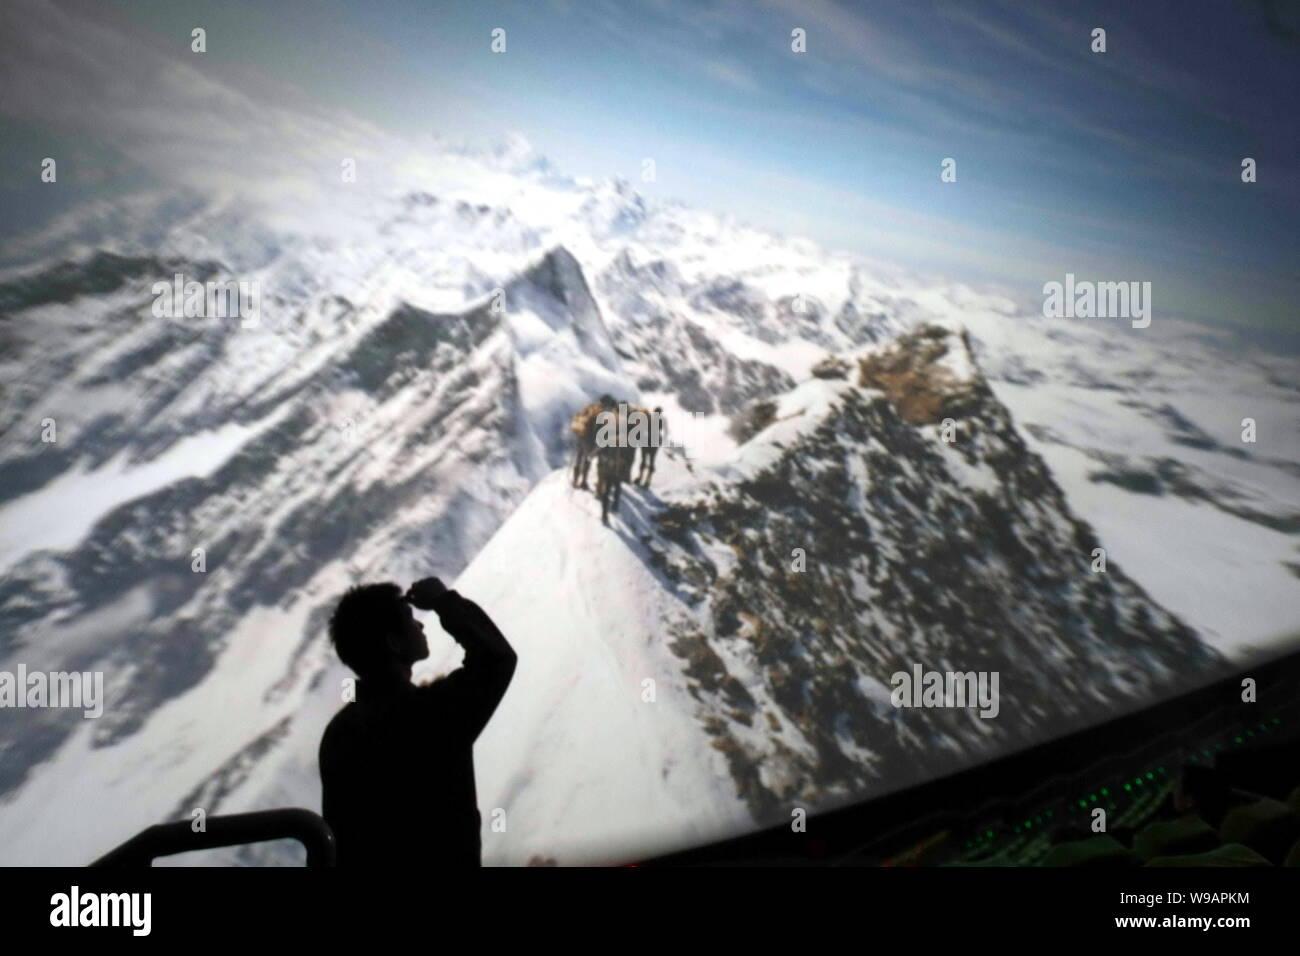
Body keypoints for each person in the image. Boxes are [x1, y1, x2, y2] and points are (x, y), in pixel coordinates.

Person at [319, 577, 516, 867]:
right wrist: (443, 601)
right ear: (394, 643)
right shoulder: (427, 715)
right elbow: (495, 658)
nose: (421, 627)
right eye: (411, 621)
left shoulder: (339, 734)